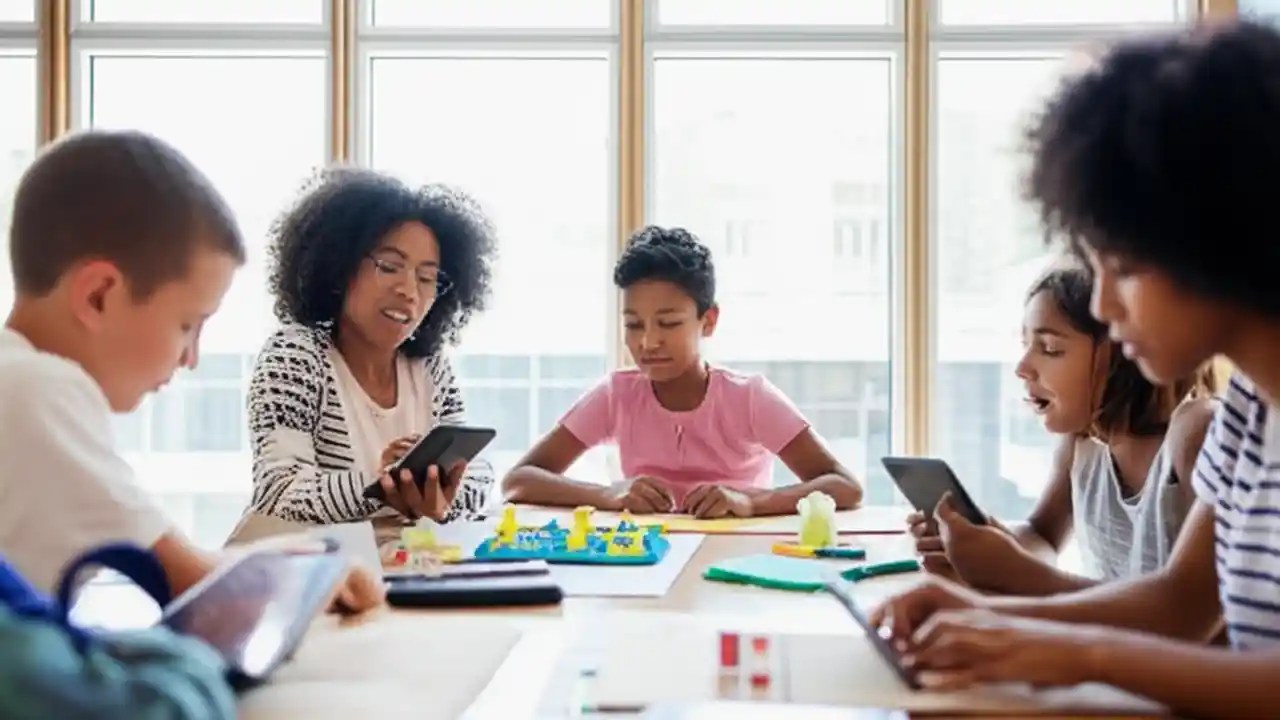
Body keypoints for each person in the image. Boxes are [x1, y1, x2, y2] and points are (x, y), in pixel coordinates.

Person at [869, 21, 1280, 719]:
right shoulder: (1249, 407)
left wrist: (1076, 652)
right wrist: (990, 620)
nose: (1103, 305)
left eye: (1122, 267)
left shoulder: (1205, 421)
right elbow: (1181, 603)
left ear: (1217, 240)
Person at [0, 130, 383, 611]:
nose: (191, 357)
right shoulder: (39, 392)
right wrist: (324, 566)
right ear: (98, 295)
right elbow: (196, 585)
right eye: (188, 325)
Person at [502, 226, 862, 518]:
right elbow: (518, 480)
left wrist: (752, 502)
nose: (648, 342)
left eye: (669, 323)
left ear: (708, 321)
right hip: (648, 560)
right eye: (633, 324)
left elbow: (844, 485)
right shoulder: (618, 395)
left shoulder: (749, 397)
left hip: (735, 560)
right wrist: (607, 494)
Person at [910, 260, 1214, 594]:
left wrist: (1018, 573)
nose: (1022, 367)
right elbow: (1043, 537)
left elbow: (1195, 617)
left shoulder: (1194, 435)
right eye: (1025, 346)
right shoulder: (1082, 442)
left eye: (1050, 348)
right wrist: (989, 544)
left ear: (1124, 350)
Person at [248, 167, 498, 525]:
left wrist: (436, 491)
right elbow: (279, 493)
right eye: (390, 266)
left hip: (399, 572)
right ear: (339, 267)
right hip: (309, 574)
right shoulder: (294, 356)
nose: (409, 291)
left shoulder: (429, 367)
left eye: (427, 278)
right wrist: (381, 483)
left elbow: (478, 475)